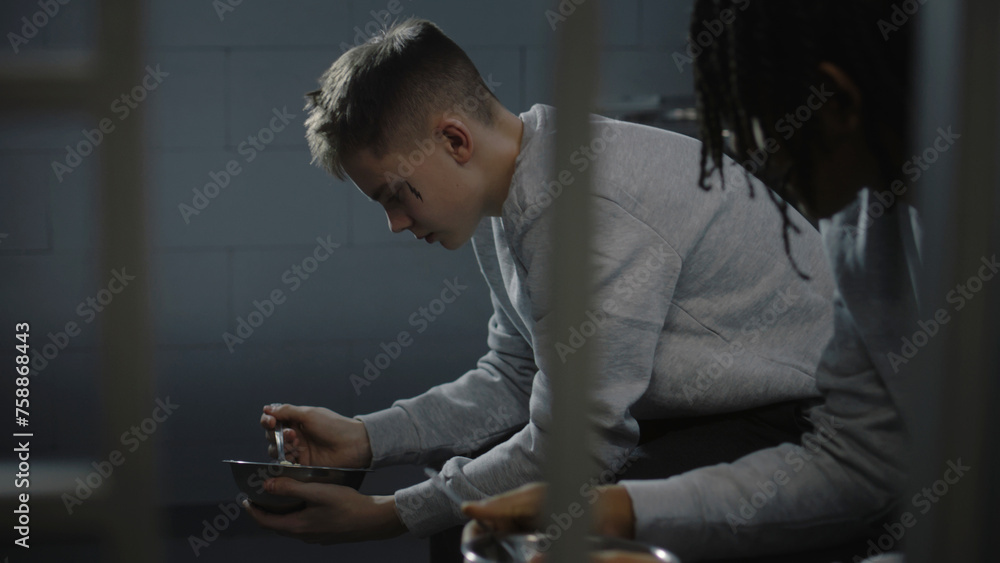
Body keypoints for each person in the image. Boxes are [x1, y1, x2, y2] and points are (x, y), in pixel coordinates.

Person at [244, 17, 839, 557]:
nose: (397, 222)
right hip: (698, 415)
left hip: (798, 421)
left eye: (395, 194)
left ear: (454, 141)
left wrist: (385, 515)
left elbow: (579, 446)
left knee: (516, 525)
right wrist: (367, 439)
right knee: (470, 508)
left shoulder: (584, 205)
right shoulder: (508, 195)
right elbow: (517, 373)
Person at [464, 1, 922, 561]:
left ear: (836, 102)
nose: (765, 173)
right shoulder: (863, 227)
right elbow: (864, 461)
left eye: (770, 143)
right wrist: (621, 513)